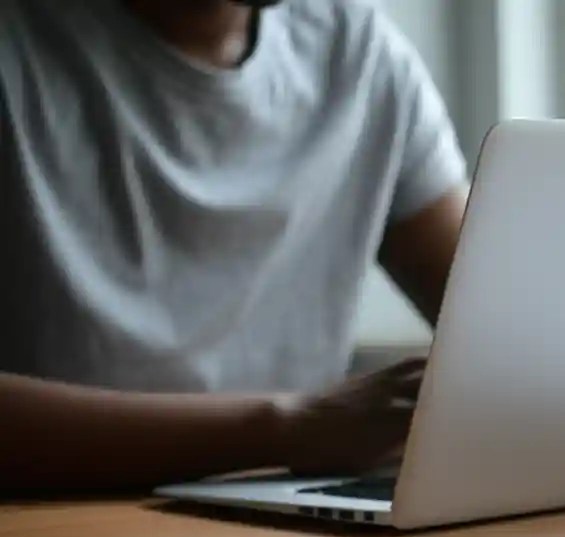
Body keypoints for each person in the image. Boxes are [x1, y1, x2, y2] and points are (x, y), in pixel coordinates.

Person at [0, 0, 470, 492]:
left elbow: (507, 323)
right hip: (53, 532)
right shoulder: (21, 46)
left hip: (287, 523)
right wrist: (288, 427)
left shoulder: (358, 55)